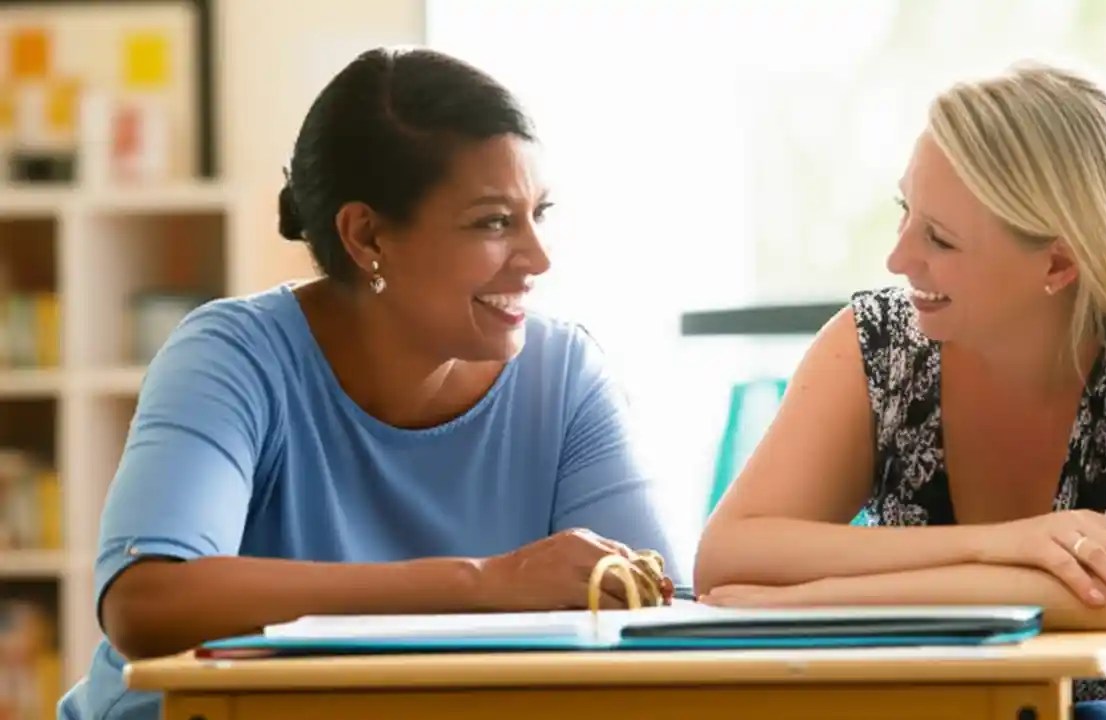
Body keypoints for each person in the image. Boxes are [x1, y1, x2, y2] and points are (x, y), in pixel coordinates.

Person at [58, 47, 677, 720]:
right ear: (367, 235)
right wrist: (486, 583)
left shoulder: (564, 377)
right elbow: (146, 601)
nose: (539, 257)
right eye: (494, 222)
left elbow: (662, 616)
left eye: (540, 213)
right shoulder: (232, 357)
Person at [694, 62, 1106, 719]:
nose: (898, 259)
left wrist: (823, 596)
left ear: (1058, 263)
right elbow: (729, 557)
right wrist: (1004, 543)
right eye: (904, 213)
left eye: (939, 239)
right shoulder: (880, 345)